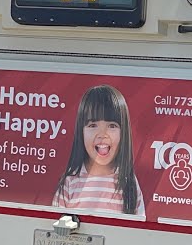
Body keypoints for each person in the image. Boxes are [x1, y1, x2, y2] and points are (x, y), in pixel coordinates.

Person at [53, 84, 146, 216]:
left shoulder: (129, 183)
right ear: (81, 131)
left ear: (123, 132)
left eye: (112, 125)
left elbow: (138, 226)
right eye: (93, 125)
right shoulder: (70, 181)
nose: (102, 134)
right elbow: (56, 223)